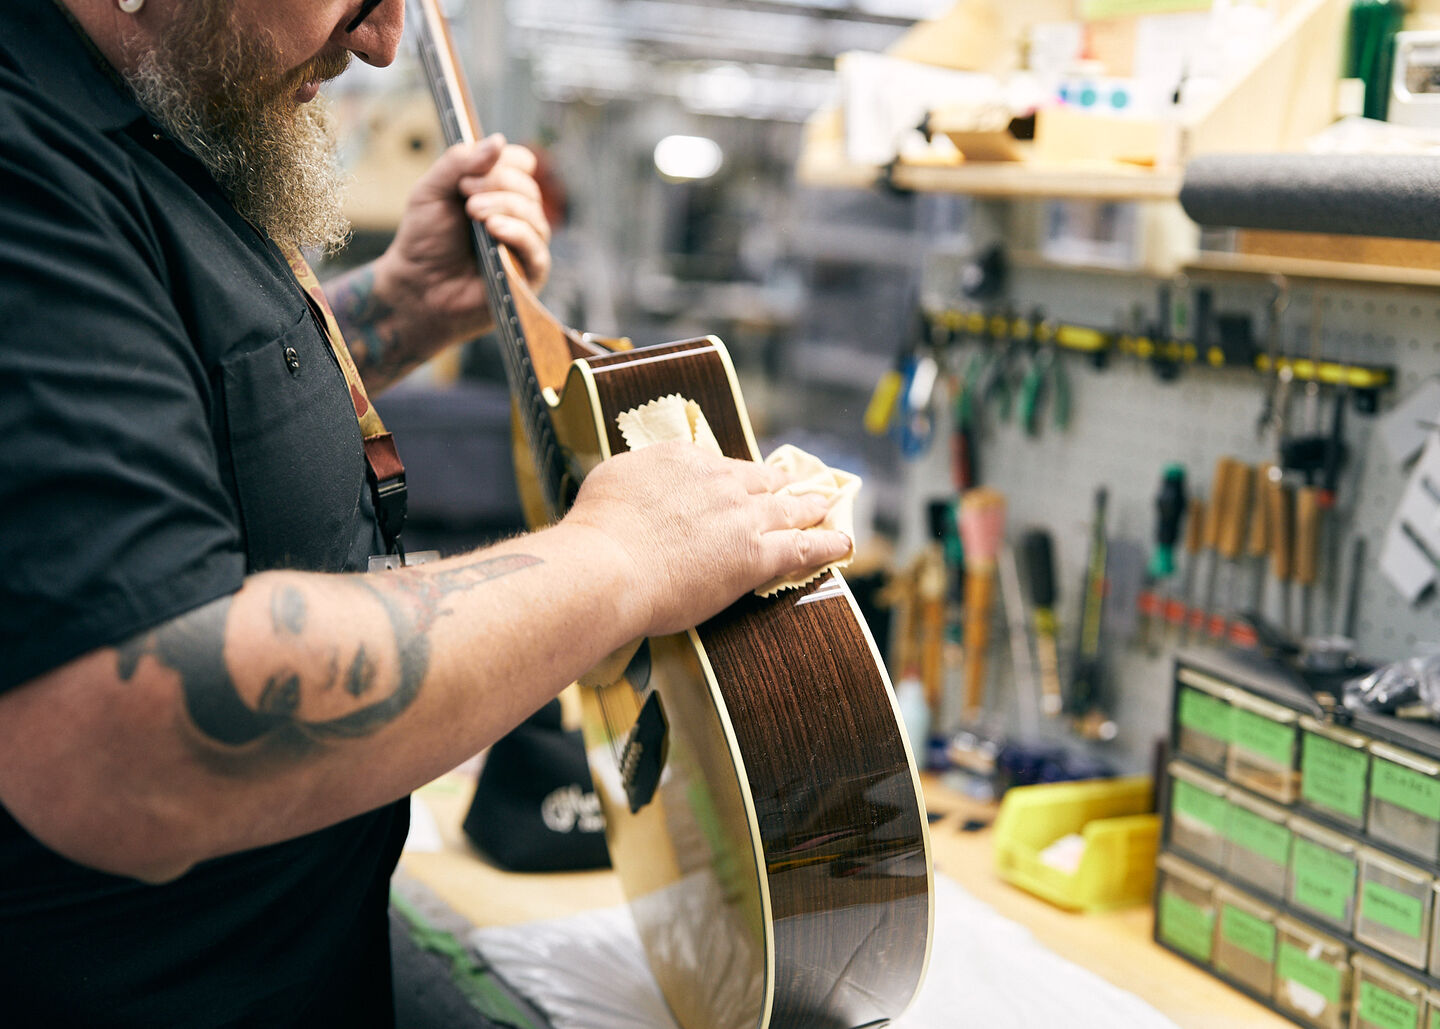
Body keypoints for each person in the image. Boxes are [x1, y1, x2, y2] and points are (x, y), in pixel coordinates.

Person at [0, 0, 853, 1024]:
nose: (381, 42)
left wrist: (399, 304)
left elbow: (191, 407)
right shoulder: (24, 175)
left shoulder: (148, 114)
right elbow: (123, 743)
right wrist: (619, 560)